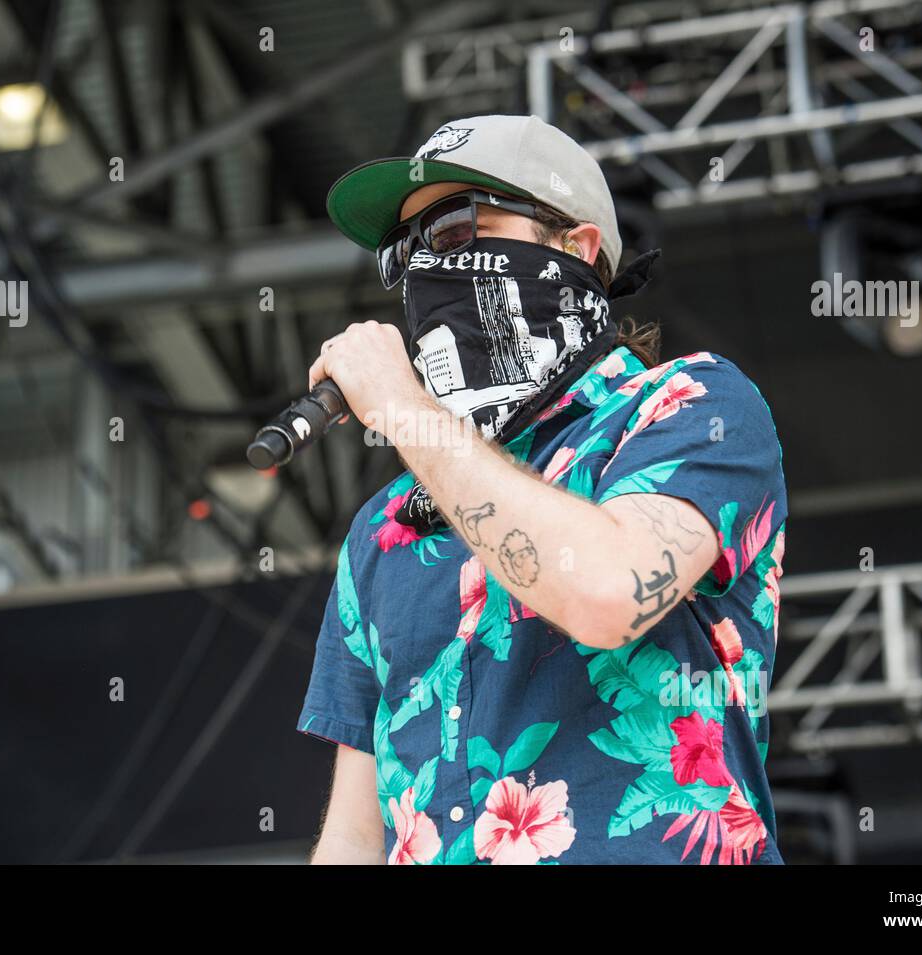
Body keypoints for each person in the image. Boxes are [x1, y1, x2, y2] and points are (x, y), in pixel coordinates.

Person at [295, 114, 787, 865]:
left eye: (457, 229)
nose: (429, 267)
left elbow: (609, 590)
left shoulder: (690, 406)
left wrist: (403, 408)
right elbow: (357, 833)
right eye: (409, 252)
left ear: (577, 247)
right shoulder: (382, 530)